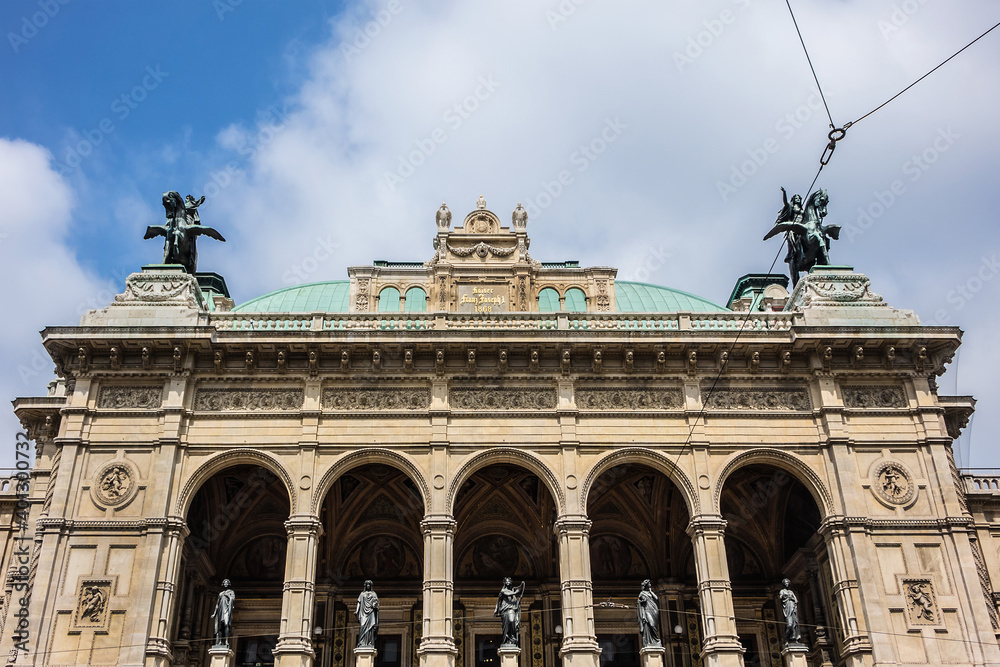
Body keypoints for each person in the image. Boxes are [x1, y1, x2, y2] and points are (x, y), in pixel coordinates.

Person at [494, 577, 526, 647]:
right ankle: (507, 638)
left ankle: (511, 637)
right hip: (505, 610)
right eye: (507, 583)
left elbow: (515, 602)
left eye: (509, 583)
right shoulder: (503, 591)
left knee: (512, 621)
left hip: (512, 609)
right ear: (505, 583)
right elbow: (506, 594)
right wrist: (516, 592)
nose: (508, 584)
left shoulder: (513, 593)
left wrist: (518, 601)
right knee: (507, 625)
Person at [637, 579, 662, 648]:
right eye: (649, 583)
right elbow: (641, 600)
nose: (650, 584)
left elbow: (656, 598)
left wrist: (651, 592)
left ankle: (655, 641)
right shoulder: (642, 593)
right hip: (647, 610)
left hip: (654, 609)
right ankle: (654, 640)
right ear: (646, 585)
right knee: (651, 624)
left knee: (654, 625)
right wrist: (642, 600)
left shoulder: (650, 592)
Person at [211, 579, 235, 647]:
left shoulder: (231, 592)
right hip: (221, 610)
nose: (225, 584)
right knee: (220, 626)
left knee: (226, 624)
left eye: (227, 583)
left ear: (229, 584)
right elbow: (217, 604)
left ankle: (226, 641)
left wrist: (228, 596)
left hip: (227, 610)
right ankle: (220, 641)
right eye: (224, 583)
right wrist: (214, 613)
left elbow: (233, 600)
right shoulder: (220, 593)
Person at [356, 580, 380, 648]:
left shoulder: (374, 594)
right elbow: (359, 602)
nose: (368, 586)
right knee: (362, 626)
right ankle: (362, 642)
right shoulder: (362, 594)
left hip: (371, 612)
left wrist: (375, 605)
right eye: (367, 585)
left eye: (369, 585)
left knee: (371, 628)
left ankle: (369, 642)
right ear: (365, 586)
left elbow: (376, 603)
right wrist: (357, 611)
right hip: (363, 613)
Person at [779, 578, 801, 644]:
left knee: (795, 624)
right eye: (785, 583)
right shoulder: (782, 591)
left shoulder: (791, 592)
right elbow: (780, 597)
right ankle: (785, 638)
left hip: (793, 609)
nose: (787, 584)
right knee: (789, 625)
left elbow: (796, 600)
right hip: (787, 609)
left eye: (788, 582)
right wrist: (784, 596)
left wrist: (792, 599)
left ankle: (795, 638)